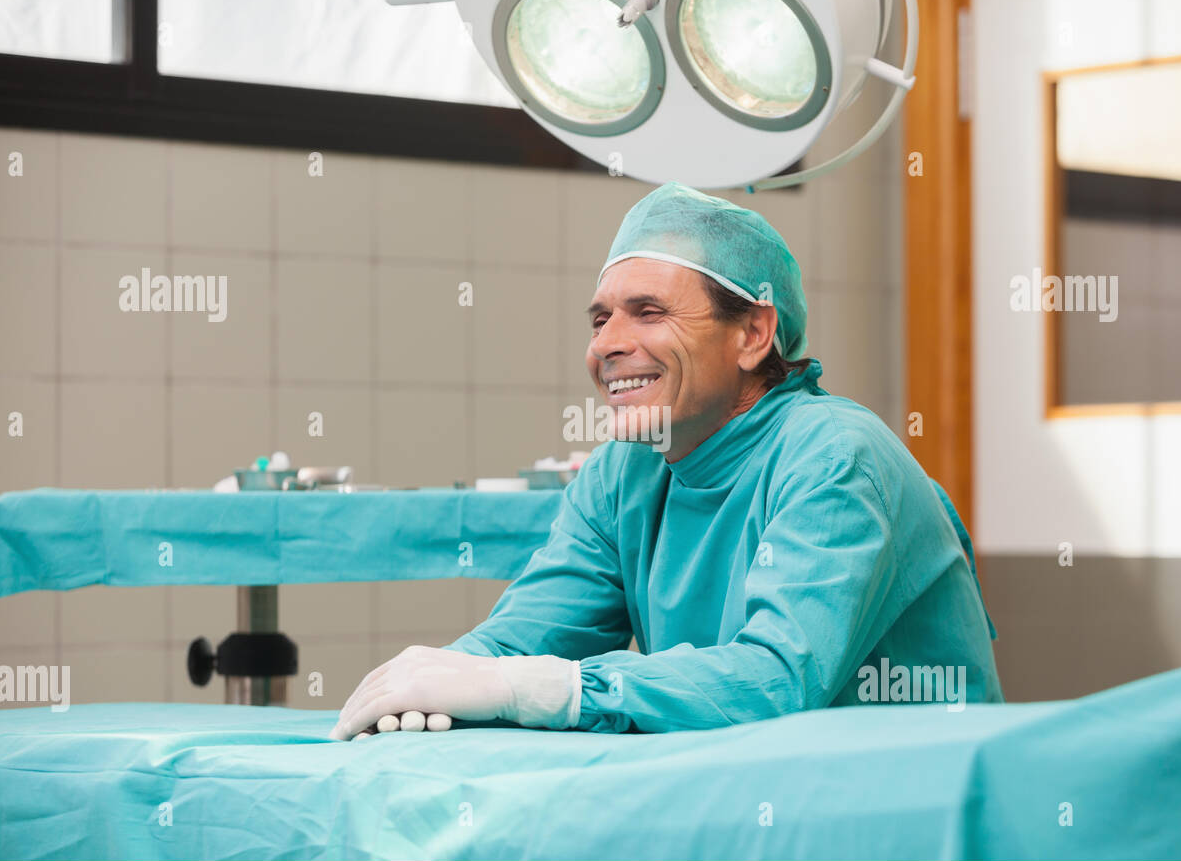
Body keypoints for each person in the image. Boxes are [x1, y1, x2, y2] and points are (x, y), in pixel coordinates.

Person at [331, 181, 1003, 739]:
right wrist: (431, 682)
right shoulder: (625, 473)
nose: (609, 345)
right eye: (600, 320)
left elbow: (776, 680)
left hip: (905, 811)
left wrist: (545, 688)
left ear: (752, 333)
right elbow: (527, 640)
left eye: (648, 312)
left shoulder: (834, 458)